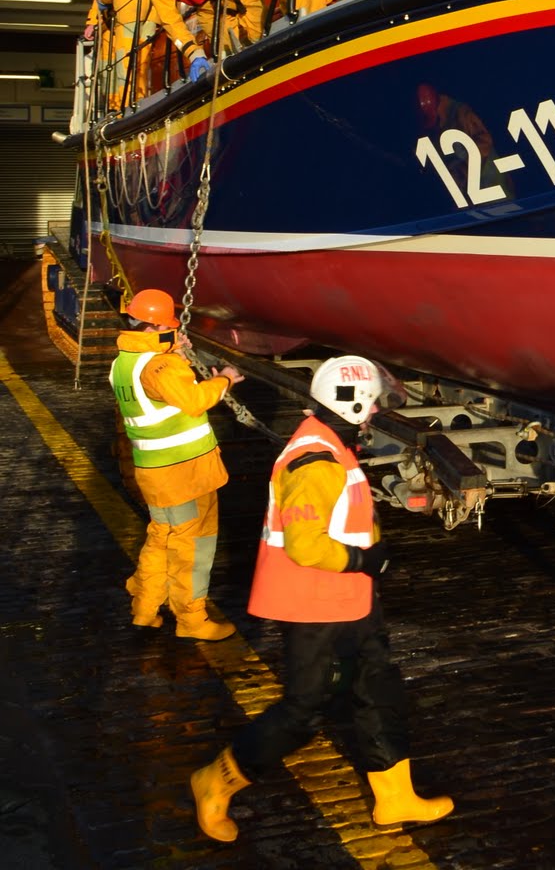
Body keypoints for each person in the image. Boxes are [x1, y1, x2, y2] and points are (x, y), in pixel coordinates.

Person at [190, 355, 453, 844]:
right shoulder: (316, 460)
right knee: (305, 709)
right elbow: (306, 544)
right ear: (352, 404)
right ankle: (218, 779)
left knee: (378, 688)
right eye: (372, 403)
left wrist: (368, 554)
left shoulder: (333, 442)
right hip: (315, 603)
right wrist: (363, 561)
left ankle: (395, 797)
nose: (375, 411)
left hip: (350, 600)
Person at [109, 287, 243, 637]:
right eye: (168, 327)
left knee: (161, 538)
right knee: (192, 548)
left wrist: (176, 352)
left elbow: (162, 394)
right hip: (186, 474)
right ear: (154, 328)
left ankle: (144, 607)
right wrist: (224, 379)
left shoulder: (124, 362)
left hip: (155, 474)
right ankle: (191, 619)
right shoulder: (159, 365)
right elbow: (193, 399)